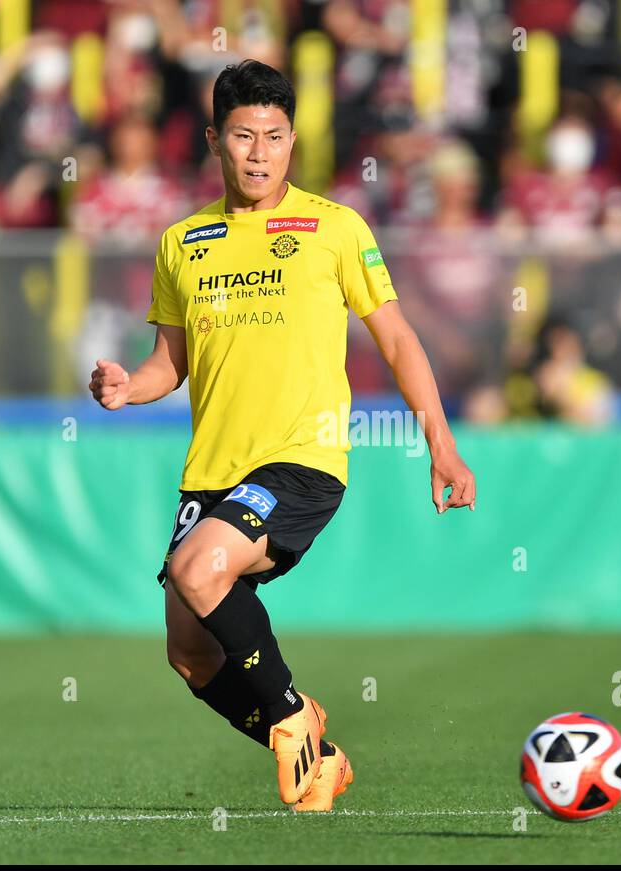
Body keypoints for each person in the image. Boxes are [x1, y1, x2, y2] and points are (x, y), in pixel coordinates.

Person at [88, 60, 476, 811]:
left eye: (273, 136)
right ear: (214, 141)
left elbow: (395, 338)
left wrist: (441, 441)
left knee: (200, 571)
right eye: (242, 136)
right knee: (190, 653)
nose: (259, 153)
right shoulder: (184, 242)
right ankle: (320, 754)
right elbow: (170, 363)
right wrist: (125, 388)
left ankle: (294, 713)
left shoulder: (334, 228)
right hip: (212, 471)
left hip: (302, 459)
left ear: (293, 140)